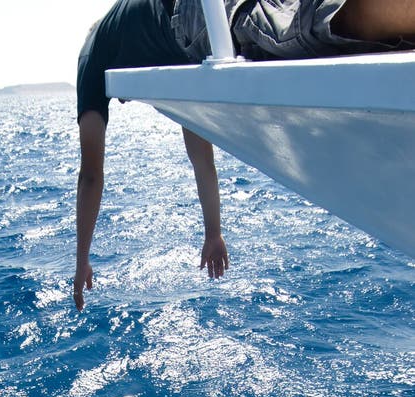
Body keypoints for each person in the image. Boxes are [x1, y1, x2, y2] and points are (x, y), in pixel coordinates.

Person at [74, 0, 415, 312]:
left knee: (299, 29)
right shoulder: (141, 28)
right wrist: (213, 233)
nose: (123, 101)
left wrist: (81, 262)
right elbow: (200, 151)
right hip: (193, 19)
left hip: (194, 14)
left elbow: (91, 175)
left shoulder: (91, 55)